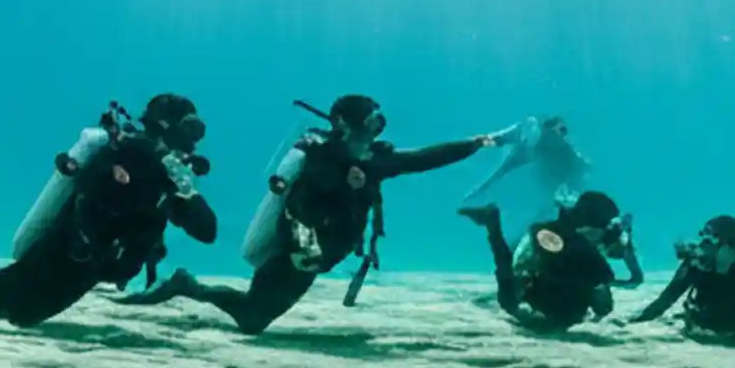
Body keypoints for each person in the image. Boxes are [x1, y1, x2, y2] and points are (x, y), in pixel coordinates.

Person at [116, 95, 511, 334]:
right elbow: (298, 202)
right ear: (343, 122)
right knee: (253, 318)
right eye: (370, 118)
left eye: (378, 119)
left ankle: (189, 286)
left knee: (254, 316)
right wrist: (305, 245)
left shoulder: (375, 160)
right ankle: (187, 286)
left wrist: (474, 143)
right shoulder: (321, 158)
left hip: (316, 256)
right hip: (296, 255)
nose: (376, 126)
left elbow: (424, 158)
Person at [0, 95, 216, 327]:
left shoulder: (160, 175)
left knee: (16, 309)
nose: (194, 140)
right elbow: (94, 193)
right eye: (190, 129)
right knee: (5, 304)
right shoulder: (127, 156)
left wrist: (183, 190)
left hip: (80, 269)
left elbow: (206, 231)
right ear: (168, 126)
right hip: (61, 261)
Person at [459, 191, 624, 331]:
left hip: (557, 304)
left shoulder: (574, 239)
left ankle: (492, 222)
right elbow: (549, 263)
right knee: (509, 298)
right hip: (542, 299)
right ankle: (492, 223)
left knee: (510, 293)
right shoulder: (558, 237)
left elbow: (601, 282)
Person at [462, 116, 592, 226]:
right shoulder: (528, 133)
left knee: (553, 202)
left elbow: (580, 169)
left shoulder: (565, 150)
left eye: (562, 132)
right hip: (533, 159)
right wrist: (473, 144)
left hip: (552, 172)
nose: (559, 135)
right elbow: (495, 140)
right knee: (498, 174)